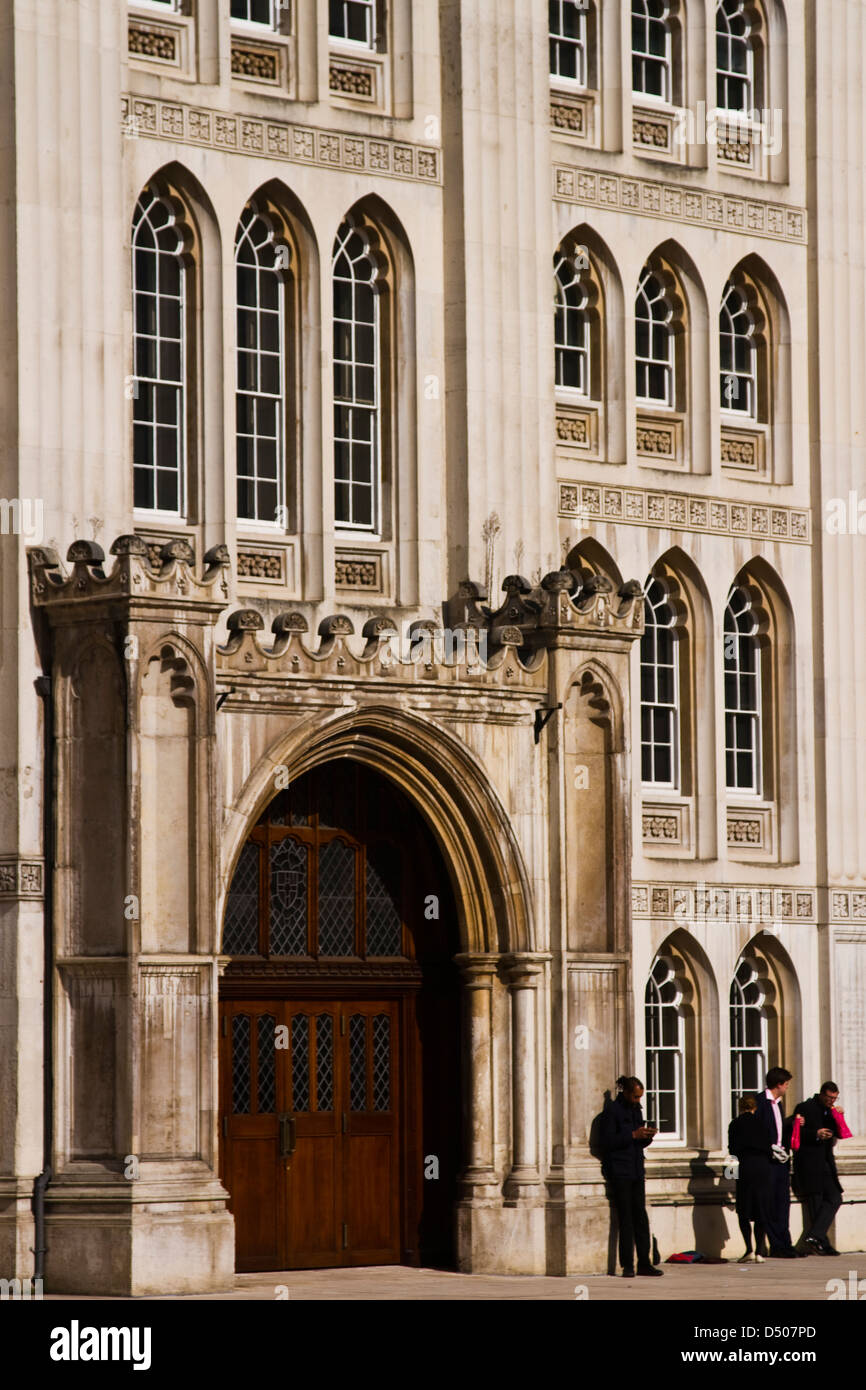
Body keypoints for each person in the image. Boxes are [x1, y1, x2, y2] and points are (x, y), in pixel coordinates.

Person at [601, 1075, 663, 1278]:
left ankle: (644, 1263)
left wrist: (646, 1137)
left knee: (641, 1219)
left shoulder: (636, 1110)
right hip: (620, 1171)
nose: (638, 1101)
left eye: (640, 1097)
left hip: (636, 1169)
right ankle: (628, 1265)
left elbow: (639, 1143)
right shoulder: (612, 1112)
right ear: (626, 1093)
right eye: (635, 1097)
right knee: (625, 1219)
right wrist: (632, 1135)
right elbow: (607, 1142)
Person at [755, 1066, 807, 1257]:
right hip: (767, 1161)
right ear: (778, 1084)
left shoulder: (778, 1104)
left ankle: (785, 1243)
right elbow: (758, 1131)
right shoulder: (760, 1102)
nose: (787, 1088)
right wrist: (769, 1149)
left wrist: (793, 1122)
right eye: (786, 1085)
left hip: (781, 1160)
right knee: (770, 1204)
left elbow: (779, 1128)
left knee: (782, 1203)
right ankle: (777, 1245)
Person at [792, 1082, 844, 1256]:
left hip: (825, 1161)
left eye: (834, 1098)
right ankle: (821, 1243)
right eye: (829, 1098)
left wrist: (839, 1117)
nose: (831, 1101)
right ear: (822, 1094)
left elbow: (840, 1132)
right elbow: (795, 1133)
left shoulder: (831, 1111)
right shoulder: (805, 1107)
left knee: (835, 1197)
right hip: (809, 1162)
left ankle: (815, 1236)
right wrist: (815, 1133)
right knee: (816, 1201)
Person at [727, 1093, 772, 1262]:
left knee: (744, 1211)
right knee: (761, 1210)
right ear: (755, 1107)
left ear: (740, 1107)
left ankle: (749, 1249)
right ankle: (760, 1251)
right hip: (762, 1168)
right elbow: (769, 1147)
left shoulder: (735, 1124)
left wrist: (730, 1175)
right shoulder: (762, 1123)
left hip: (745, 1167)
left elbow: (732, 1150)